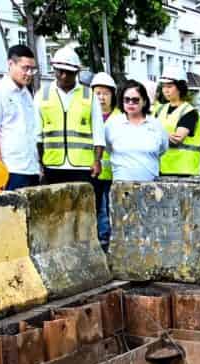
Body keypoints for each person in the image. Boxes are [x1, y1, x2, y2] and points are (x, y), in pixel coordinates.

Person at [36, 45, 103, 185]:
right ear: (54, 69)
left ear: (77, 71)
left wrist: (97, 161)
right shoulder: (42, 95)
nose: (64, 76)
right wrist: (39, 165)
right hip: (52, 166)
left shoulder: (89, 95)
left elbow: (98, 134)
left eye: (69, 72)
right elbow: (36, 135)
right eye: (60, 72)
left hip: (83, 167)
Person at [0, 44, 40, 190]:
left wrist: (38, 165)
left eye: (32, 69)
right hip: (11, 170)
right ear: (11, 64)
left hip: (31, 168)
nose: (29, 73)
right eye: (25, 68)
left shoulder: (27, 95)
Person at [102, 79, 168, 182]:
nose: (130, 103)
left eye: (135, 100)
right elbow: (107, 147)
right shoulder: (112, 124)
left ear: (144, 101)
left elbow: (163, 148)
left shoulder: (156, 125)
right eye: (126, 99)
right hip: (121, 187)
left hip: (150, 187)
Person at [154, 66, 200, 176]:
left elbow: (176, 139)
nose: (165, 90)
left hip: (183, 170)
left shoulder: (189, 112)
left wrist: (156, 135)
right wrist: (164, 135)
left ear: (180, 87)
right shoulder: (160, 109)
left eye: (170, 86)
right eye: (164, 86)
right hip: (162, 168)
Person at [90, 71, 118, 249]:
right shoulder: (87, 115)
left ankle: (107, 239)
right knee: (94, 209)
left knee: (109, 209)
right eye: (98, 93)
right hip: (91, 172)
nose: (101, 98)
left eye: (105, 93)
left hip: (112, 173)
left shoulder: (119, 117)